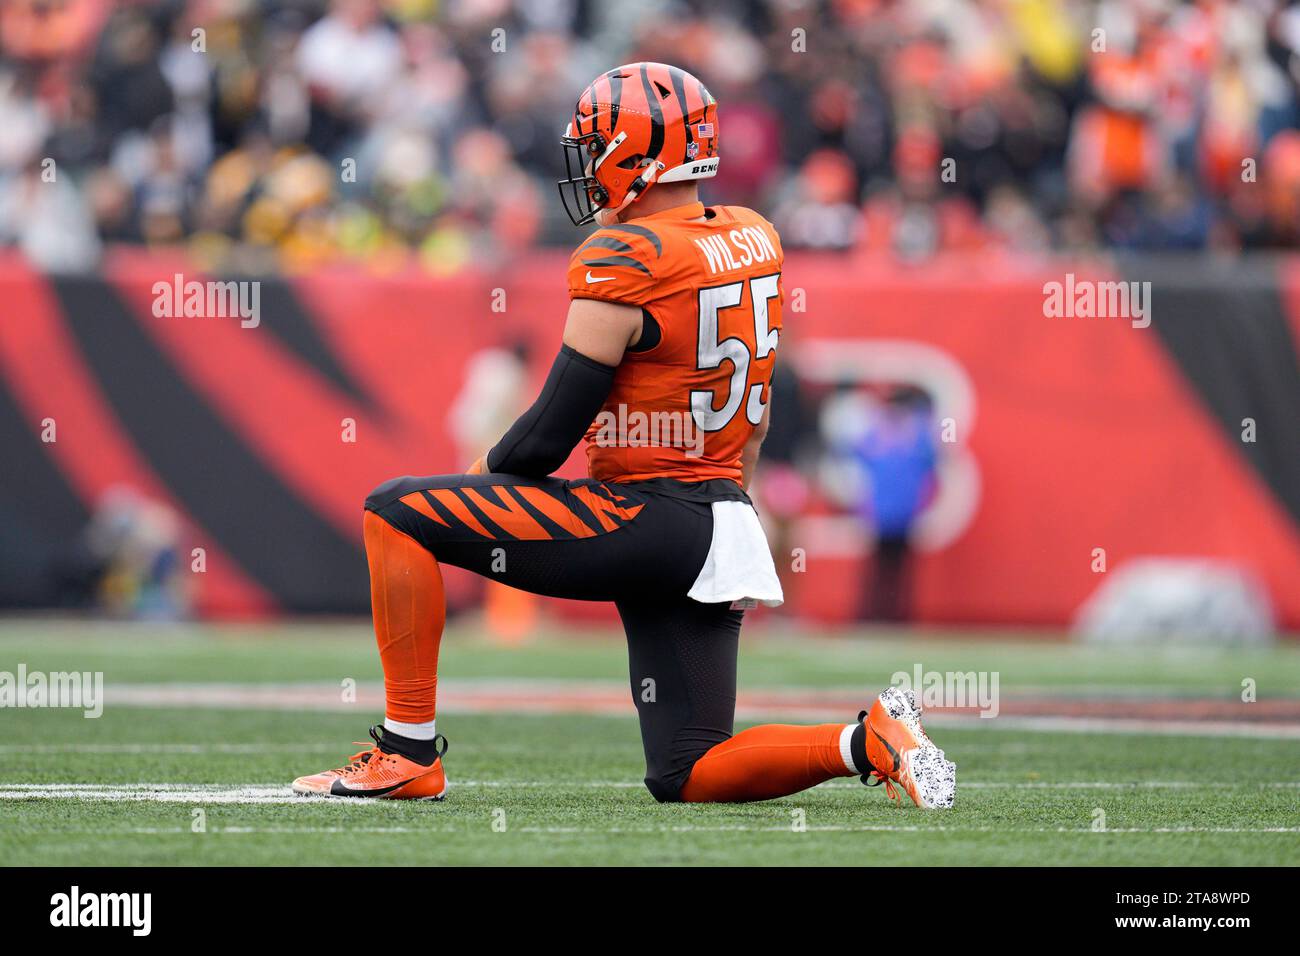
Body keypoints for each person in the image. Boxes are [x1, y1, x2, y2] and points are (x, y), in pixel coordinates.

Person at [291, 63, 955, 808]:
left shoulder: (626, 257)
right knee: (689, 770)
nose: (585, 166)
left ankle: (407, 752)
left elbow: (551, 435)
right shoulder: (754, 236)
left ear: (637, 154)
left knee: (395, 511)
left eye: (596, 146)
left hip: (644, 515)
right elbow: (757, 413)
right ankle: (867, 740)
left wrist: (479, 474)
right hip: (721, 519)